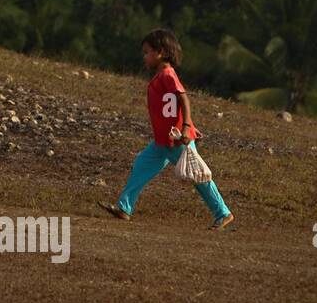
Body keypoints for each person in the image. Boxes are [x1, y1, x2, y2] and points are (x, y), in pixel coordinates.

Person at [100, 28, 235, 230]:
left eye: (147, 52)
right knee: (141, 165)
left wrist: (188, 127)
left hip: (177, 140)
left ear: (160, 52)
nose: (144, 57)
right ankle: (124, 208)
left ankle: (223, 213)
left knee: (198, 176)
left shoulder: (167, 75)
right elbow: (172, 107)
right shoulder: (161, 76)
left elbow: (183, 98)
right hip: (163, 142)